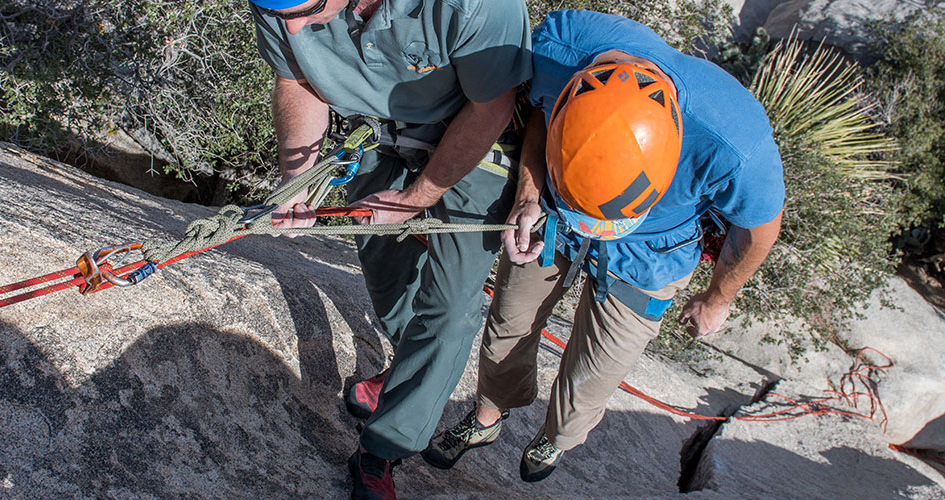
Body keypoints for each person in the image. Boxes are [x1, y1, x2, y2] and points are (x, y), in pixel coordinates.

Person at [421, 9, 785, 483]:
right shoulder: (557, 51)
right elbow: (540, 109)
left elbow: (759, 232)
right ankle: (488, 417)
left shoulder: (736, 146)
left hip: (654, 251)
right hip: (557, 206)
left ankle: (559, 436)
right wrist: (530, 195)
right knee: (508, 323)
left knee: (597, 368)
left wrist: (718, 299)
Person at [246, 0, 531, 498]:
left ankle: (383, 449)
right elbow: (298, 80)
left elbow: (492, 106)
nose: (293, 25)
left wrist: (416, 198)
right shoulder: (281, 4)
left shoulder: (475, 5)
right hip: (375, 134)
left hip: (472, 134)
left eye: (308, 7)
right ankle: (406, 369)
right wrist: (296, 180)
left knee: (451, 308)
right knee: (385, 272)